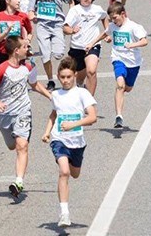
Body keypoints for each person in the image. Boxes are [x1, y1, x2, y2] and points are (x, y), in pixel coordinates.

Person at [0, 37, 51, 200]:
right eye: (24, 47)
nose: (27, 49)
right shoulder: (2, 69)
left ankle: (18, 182)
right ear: (16, 51)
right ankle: (12, 141)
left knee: (22, 146)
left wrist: (51, 97)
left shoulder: (28, 67)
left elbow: (34, 84)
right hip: (5, 115)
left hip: (23, 111)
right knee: (11, 146)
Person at [41, 56, 98, 229]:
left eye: (69, 77)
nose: (65, 81)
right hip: (59, 140)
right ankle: (64, 213)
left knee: (74, 173)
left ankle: (65, 211)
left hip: (77, 142)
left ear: (74, 75)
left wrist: (74, 124)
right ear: (58, 76)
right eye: (62, 77)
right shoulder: (56, 95)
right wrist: (47, 132)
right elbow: (54, 115)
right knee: (64, 172)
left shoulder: (82, 93)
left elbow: (92, 117)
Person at [95, 1, 149, 129]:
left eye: (115, 18)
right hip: (118, 59)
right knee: (120, 85)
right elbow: (104, 34)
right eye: (111, 19)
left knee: (127, 88)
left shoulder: (134, 27)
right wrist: (91, 44)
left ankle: (122, 92)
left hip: (133, 62)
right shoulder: (113, 26)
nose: (113, 21)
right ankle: (119, 116)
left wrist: (132, 45)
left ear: (123, 14)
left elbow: (145, 41)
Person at [30, 0, 74, 91]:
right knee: (45, 55)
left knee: (59, 54)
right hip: (42, 25)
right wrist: (32, 15)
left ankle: (63, 73)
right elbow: (30, 10)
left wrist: (70, 18)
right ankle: (50, 80)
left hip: (57, 24)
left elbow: (71, 1)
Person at [63, 0, 108, 95]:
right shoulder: (75, 10)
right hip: (77, 47)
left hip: (93, 45)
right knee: (79, 75)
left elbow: (104, 17)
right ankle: (79, 83)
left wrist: (107, 32)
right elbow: (65, 28)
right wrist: (72, 30)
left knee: (91, 71)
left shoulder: (97, 9)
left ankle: (89, 101)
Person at [0, 0, 32, 65]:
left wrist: (27, 41)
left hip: (18, 53)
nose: (19, 1)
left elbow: (30, 32)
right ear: (7, 1)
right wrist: (6, 32)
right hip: (3, 53)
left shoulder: (23, 16)